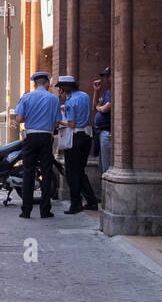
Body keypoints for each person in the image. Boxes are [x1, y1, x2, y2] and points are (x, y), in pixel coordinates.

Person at [14, 71, 58, 219]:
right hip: (46, 137)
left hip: (31, 137)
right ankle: (45, 210)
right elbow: (57, 122)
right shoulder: (53, 99)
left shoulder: (26, 97)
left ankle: (26, 210)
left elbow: (19, 119)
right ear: (47, 84)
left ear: (34, 84)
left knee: (28, 172)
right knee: (46, 173)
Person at [57, 76, 99, 214]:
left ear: (67, 87)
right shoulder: (84, 96)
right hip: (86, 136)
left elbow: (71, 124)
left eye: (61, 87)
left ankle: (76, 204)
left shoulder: (70, 102)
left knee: (71, 172)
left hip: (75, 137)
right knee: (80, 170)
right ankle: (91, 201)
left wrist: (58, 121)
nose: (60, 90)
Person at [93, 67, 113, 178]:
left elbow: (105, 108)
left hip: (106, 132)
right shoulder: (106, 93)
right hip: (100, 132)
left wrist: (98, 107)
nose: (105, 78)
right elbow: (94, 106)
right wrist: (96, 91)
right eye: (104, 76)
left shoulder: (113, 92)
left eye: (107, 76)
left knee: (106, 162)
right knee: (101, 161)